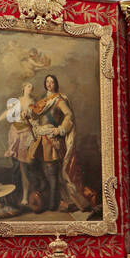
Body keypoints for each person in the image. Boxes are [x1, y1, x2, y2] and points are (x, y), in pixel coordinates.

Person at [29, 74, 89, 212]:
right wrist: (28, 114)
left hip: (51, 137)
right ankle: (43, 186)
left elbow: (69, 115)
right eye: (47, 82)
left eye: (52, 82)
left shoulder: (59, 100)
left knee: (51, 171)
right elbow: (35, 114)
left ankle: (53, 203)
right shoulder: (42, 101)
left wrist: (60, 129)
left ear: (56, 84)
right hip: (40, 137)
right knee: (31, 163)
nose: (49, 84)